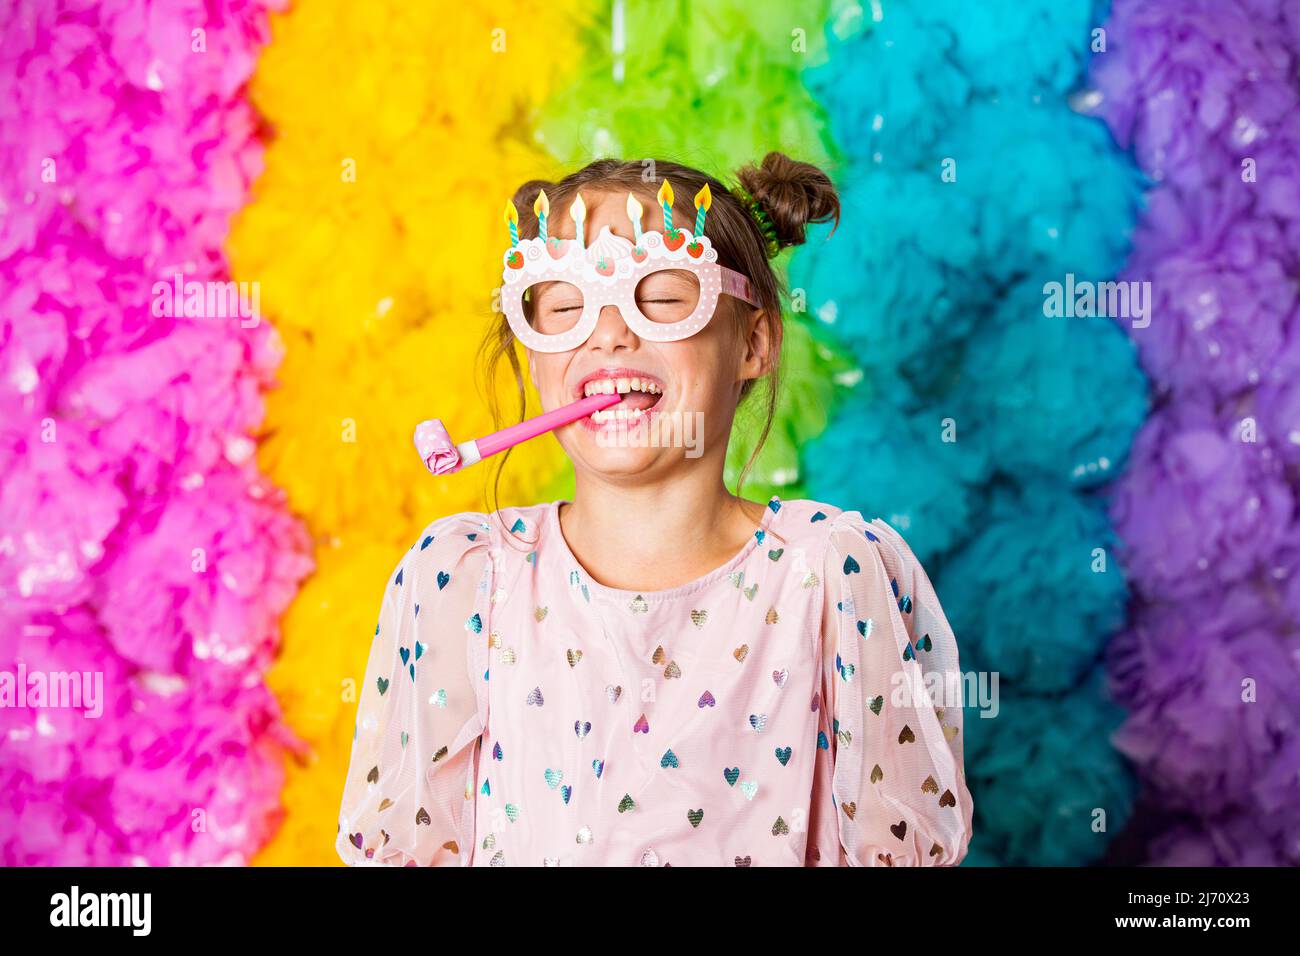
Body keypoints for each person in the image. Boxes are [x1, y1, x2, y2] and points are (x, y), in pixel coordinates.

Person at [335, 152, 974, 866]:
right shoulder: (461, 580)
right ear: (530, 357)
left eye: (664, 297)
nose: (608, 333)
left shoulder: (833, 574)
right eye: (566, 307)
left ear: (754, 344)